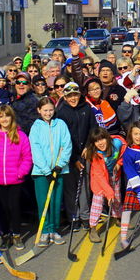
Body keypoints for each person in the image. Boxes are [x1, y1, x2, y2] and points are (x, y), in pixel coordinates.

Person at [0, 105, 33, 251]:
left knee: (14, 208)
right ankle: (5, 235)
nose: (4, 119)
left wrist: (21, 172)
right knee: (2, 209)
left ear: (12, 117)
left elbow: (27, 157)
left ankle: (16, 234)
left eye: (7, 116)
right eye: (1, 116)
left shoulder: (20, 135)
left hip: (15, 179)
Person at [55, 82, 98, 232]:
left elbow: (93, 129)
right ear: (65, 97)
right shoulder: (61, 112)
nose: (73, 98)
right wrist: (73, 159)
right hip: (69, 156)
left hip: (85, 152)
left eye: (75, 95)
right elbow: (62, 139)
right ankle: (74, 217)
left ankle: (85, 217)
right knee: (70, 188)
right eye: (69, 96)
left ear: (80, 95)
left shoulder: (87, 108)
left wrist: (88, 146)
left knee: (84, 186)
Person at [29, 98, 72, 246]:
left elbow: (67, 145)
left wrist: (60, 165)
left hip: (58, 170)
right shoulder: (36, 127)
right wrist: (46, 171)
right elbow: (36, 150)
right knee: (43, 202)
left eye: (50, 110)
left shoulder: (60, 124)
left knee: (55, 200)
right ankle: (45, 230)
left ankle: (54, 229)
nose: (48, 113)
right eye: (45, 110)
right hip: (42, 172)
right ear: (39, 110)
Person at [84, 128, 126, 243]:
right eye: (96, 141)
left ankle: (118, 217)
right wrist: (109, 193)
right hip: (100, 179)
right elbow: (100, 178)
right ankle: (92, 228)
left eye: (102, 139)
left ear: (107, 138)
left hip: (114, 174)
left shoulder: (117, 143)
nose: (100, 143)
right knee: (97, 202)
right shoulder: (95, 155)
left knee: (116, 197)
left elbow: (124, 152)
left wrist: (119, 163)